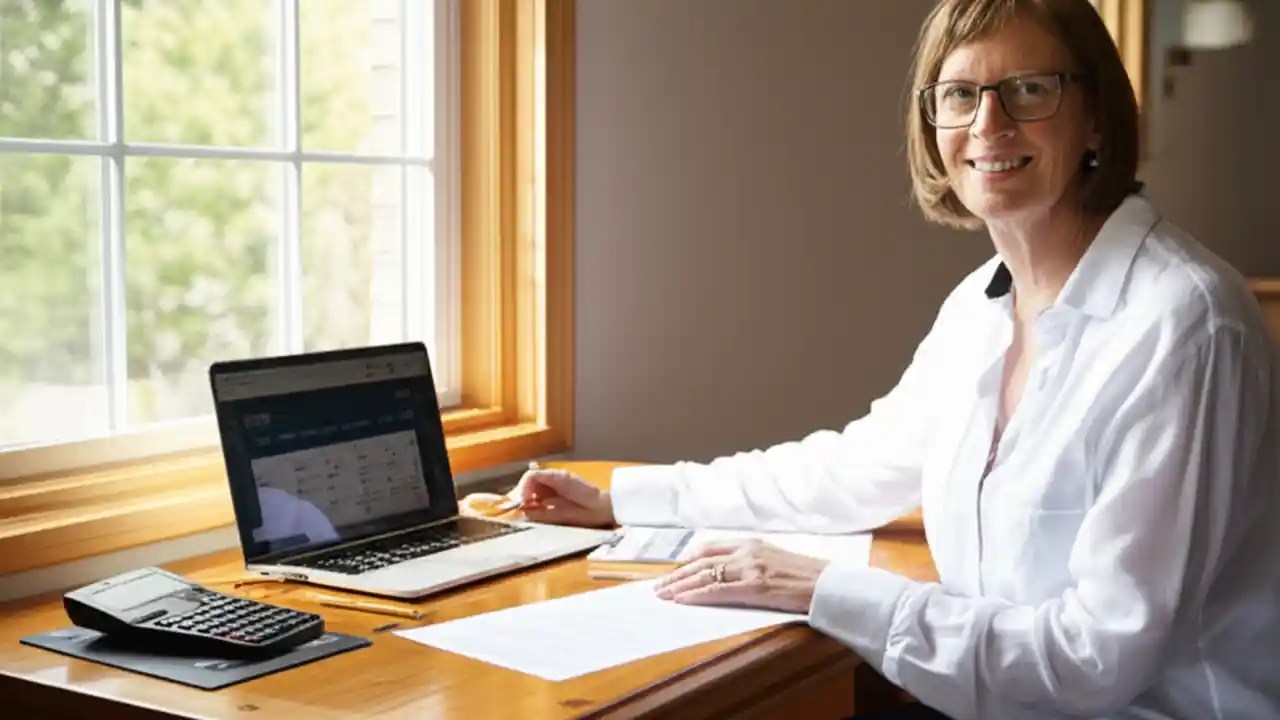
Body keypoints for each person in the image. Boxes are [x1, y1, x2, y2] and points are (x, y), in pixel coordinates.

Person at [512, 1, 1280, 718]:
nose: (989, 122)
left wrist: (823, 589)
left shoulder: (1184, 324)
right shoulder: (979, 307)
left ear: (1096, 120)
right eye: (959, 95)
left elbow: (1094, 661)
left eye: (1030, 89)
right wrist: (625, 499)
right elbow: (848, 473)